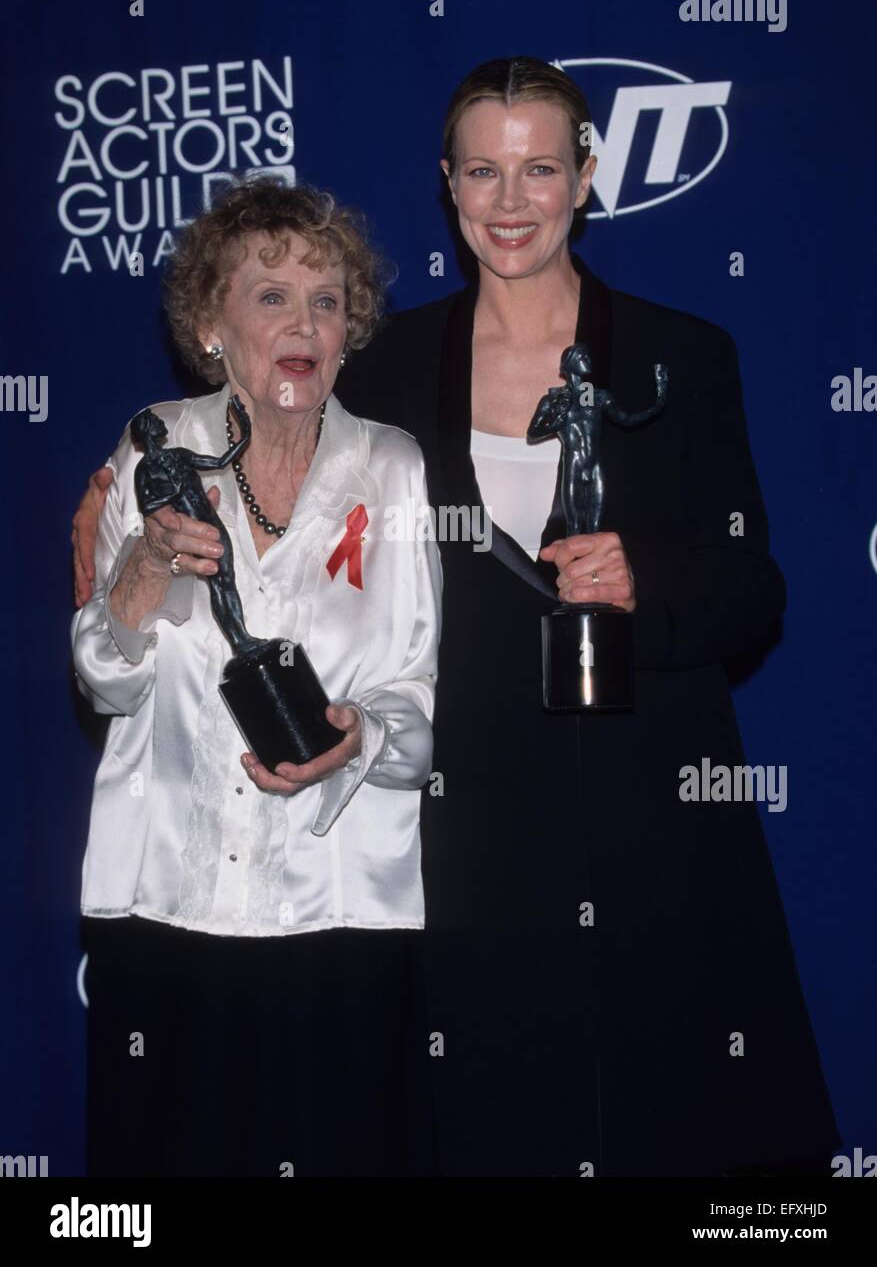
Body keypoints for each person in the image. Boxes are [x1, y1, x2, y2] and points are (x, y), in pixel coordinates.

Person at [74, 57, 839, 1177]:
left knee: (680, 1128)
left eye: (540, 168)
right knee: (490, 1127)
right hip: (466, 820)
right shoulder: (379, 370)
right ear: (447, 185)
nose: (512, 199)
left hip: (652, 805)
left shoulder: (682, 355)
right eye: (484, 170)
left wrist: (645, 582)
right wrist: (116, 540)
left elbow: (752, 587)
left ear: (587, 177)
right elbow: (256, 470)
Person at [71, 179, 442, 1177]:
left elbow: (418, 699)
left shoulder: (395, 468)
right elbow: (103, 679)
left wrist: (357, 733)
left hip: (340, 919)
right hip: (167, 919)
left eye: (326, 300)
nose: (304, 322)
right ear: (210, 325)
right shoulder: (155, 448)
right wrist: (141, 571)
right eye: (270, 295)